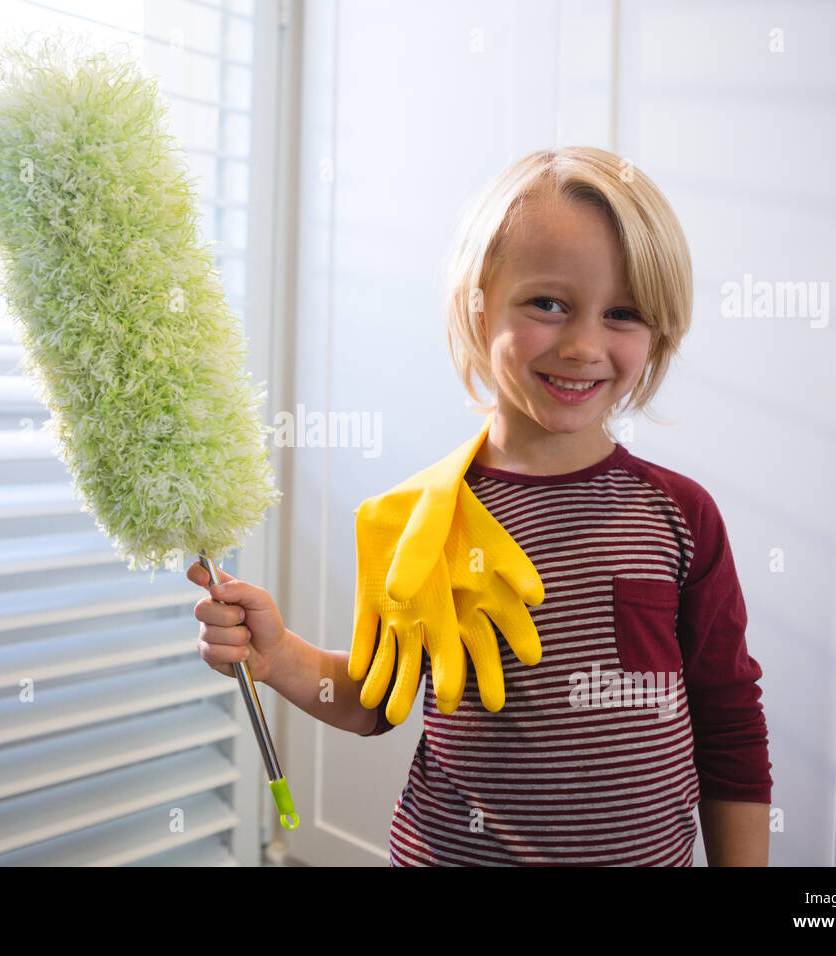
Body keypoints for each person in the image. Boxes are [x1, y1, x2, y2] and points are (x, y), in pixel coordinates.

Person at [188, 145, 772, 866]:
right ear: (479, 303)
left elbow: (728, 718)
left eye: (622, 313)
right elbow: (377, 699)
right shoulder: (414, 522)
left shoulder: (681, 516)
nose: (585, 344)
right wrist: (280, 657)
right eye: (549, 304)